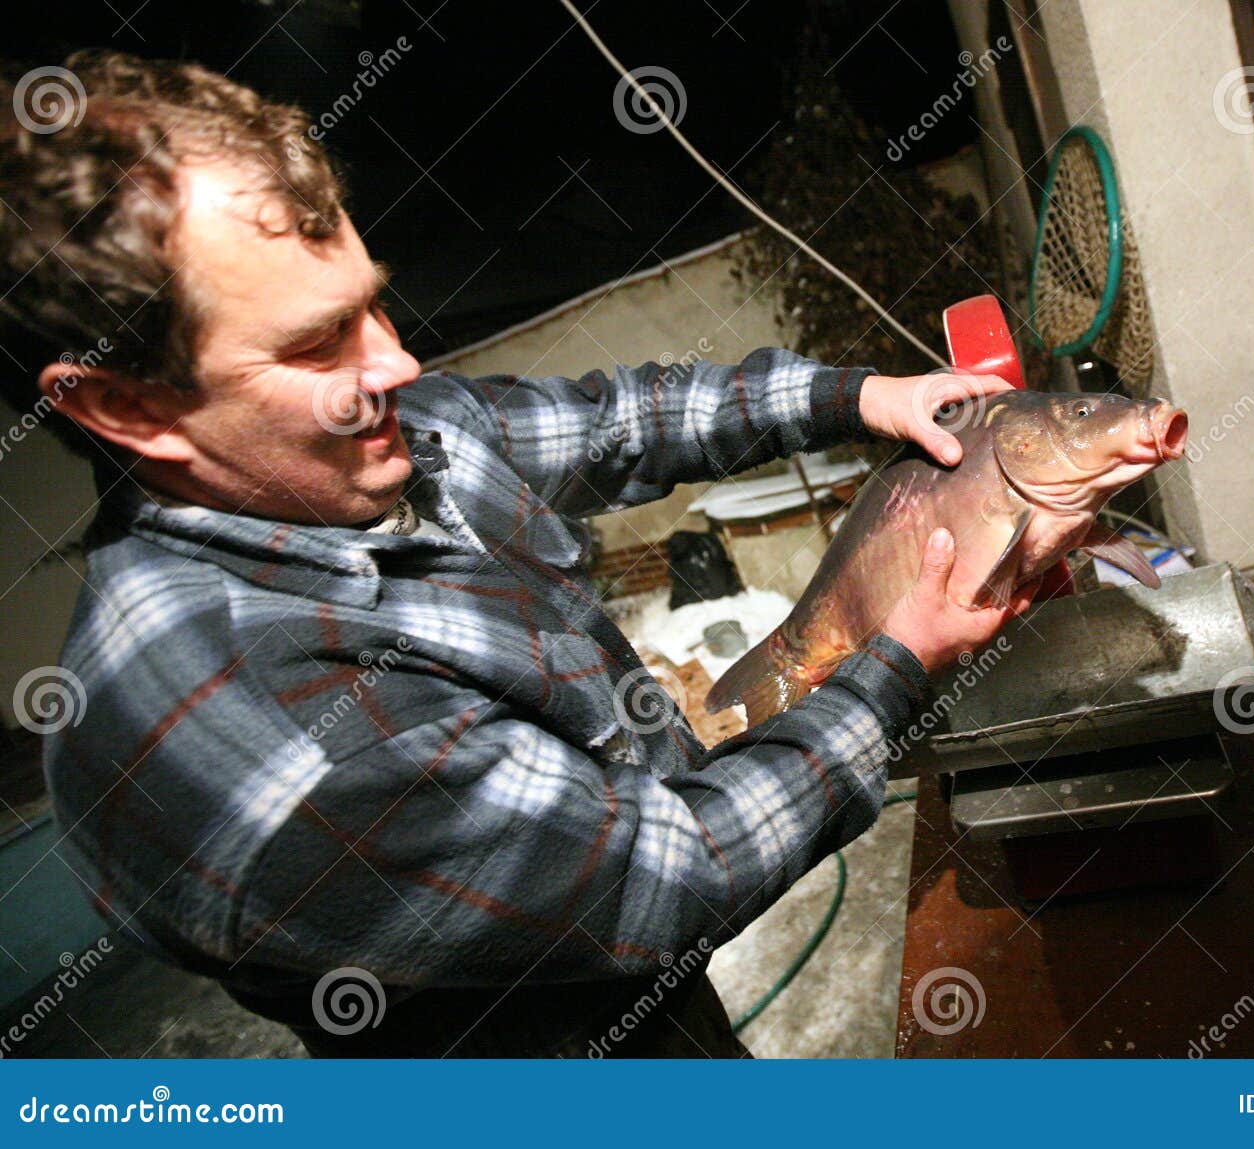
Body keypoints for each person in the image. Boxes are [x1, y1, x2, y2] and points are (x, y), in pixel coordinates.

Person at [0, 52, 1032, 1057]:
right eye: (318, 343)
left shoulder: (375, 444)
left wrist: (854, 398)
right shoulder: (270, 726)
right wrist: (895, 666)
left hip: (656, 1001)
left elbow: (616, 422)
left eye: (373, 300)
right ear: (123, 403)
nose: (396, 362)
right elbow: (672, 872)